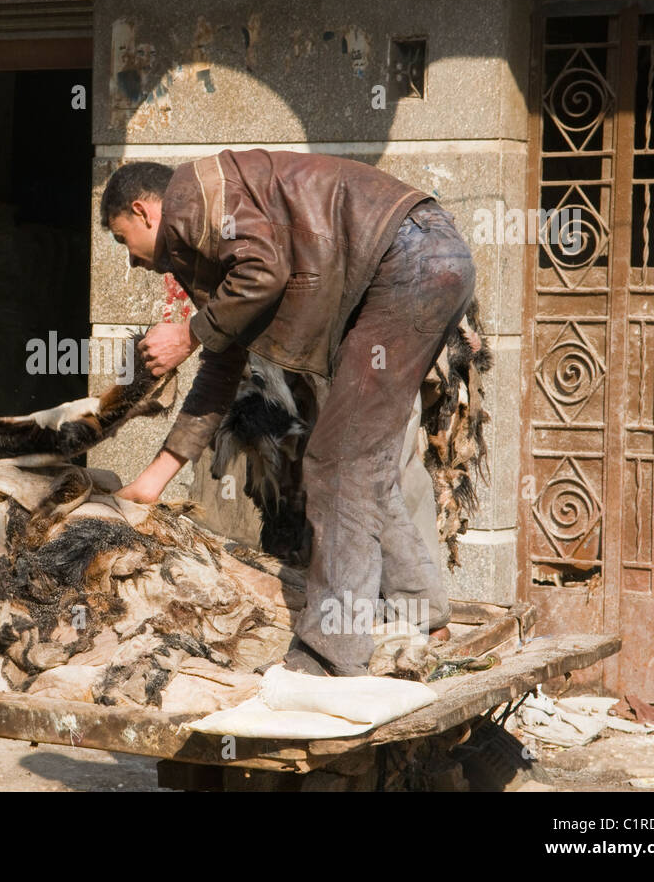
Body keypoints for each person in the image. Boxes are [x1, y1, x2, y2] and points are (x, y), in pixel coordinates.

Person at [102, 150, 475, 676]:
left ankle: (328, 654)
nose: (132, 260)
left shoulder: (193, 201)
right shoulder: (203, 239)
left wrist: (186, 334)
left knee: (336, 463)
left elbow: (265, 273)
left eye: (124, 241)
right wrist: (150, 484)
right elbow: (220, 364)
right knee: (363, 461)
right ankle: (422, 610)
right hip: (430, 255)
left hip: (407, 258)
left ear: (143, 212)